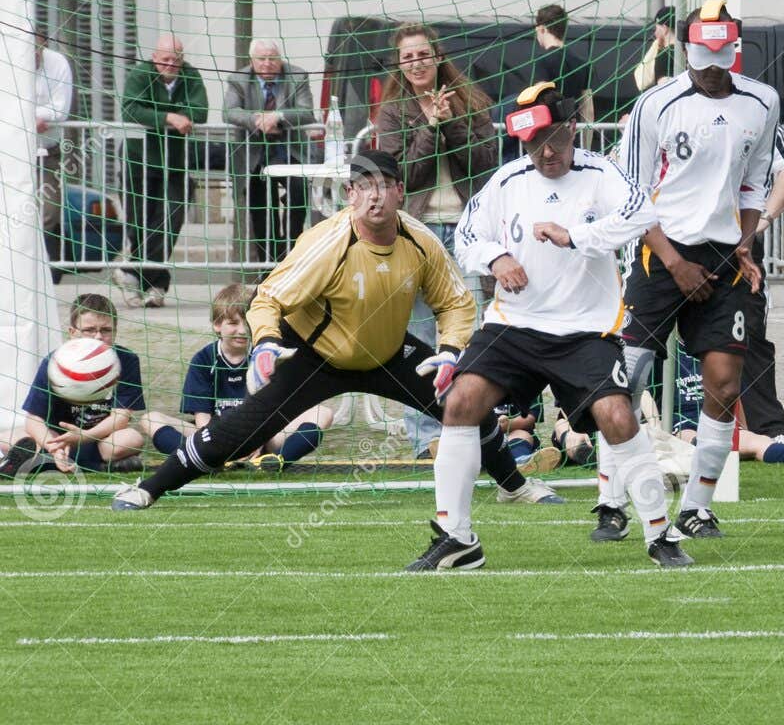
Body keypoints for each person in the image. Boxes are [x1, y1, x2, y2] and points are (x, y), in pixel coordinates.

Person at [111, 151, 549, 512]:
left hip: (388, 353)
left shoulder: (421, 241)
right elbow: (267, 298)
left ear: (400, 191)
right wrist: (265, 344)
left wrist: (451, 350)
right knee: (236, 432)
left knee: (466, 406)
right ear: (349, 194)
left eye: (384, 185)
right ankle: (150, 487)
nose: (374, 196)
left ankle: (514, 484)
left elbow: (455, 302)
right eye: (363, 187)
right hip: (317, 356)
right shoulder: (326, 241)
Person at [418, 86, 688, 570]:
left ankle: (659, 535)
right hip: (515, 325)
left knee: (618, 416)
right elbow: (466, 236)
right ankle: (457, 539)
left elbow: (641, 216)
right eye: (532, 142)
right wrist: (496, 257)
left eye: (554, 140)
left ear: (573, 131)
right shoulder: (507, 180)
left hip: (586, 329)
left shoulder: (602, 174)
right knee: (459, 402)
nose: (544, 152)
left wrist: (576, 236)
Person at [596, 0, 778, 543]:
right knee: (627, 377)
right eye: (701, 53)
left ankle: (697, 507)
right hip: (659, 253)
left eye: (722, 54)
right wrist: (674, 263)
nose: (711, 65)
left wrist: (745, 243)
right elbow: (630, 193)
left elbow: (754, 180)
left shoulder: (762, 102)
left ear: (737, 50)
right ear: (684, 49)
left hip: (724, 258)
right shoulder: (655, 104)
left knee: (724, 381)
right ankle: (610, 501)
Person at [376, 23, 498, 461]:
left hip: (467, 230)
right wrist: (429, 125)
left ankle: (480, 429)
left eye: (423, 54)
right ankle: (426, 437)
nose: (417, 63)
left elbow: (485, 163)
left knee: (476, 330)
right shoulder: (392, 112)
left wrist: (451, 124)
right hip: (418, 232)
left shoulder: (471, 99)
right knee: (419, 334)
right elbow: (404, 176)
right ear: (400, 65)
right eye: (408, 57)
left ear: (437, 56)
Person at [145, 283, 332, 471]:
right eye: (233, 323)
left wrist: (257, 440)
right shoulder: (203, 359)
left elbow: (275, 411)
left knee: (322, 413)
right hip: (212, 438)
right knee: (150, 419)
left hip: (263, 438)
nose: (242, 330)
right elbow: (202, 420)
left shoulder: (266, 357)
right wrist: (217, 446)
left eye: (247, 323)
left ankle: (274, 462)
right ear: (217, 325)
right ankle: (201, 463)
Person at [0, 295, 145, 478]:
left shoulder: (126, 360)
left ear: (115, 331)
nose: (99, 336)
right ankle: (80, 462)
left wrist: (85, 436)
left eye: (106, 330)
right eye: (90, 330)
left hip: (100, 437)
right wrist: (53, 447)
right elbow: (33, 419)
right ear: (72, 332)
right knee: (8, 438)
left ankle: (43, 464)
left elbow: (121, 417)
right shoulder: (55, 362)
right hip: (57, 437)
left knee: (132, 439)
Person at [117, 36, 208, 308]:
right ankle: (157, 283)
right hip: (139, 158)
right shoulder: (140, 74)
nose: (170, 65)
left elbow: (199, 111)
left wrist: (165, 115)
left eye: (176, 60)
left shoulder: (190, 75)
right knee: (139, 222)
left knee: (170, 219)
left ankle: (131, 273)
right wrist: (170, 117)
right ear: (154, 57)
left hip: (175, 161)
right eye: (165, 60)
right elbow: (130, 109)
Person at [739, 124, 784, 439]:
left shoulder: (756, 113)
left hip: (738, 240)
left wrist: (762, 221)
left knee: (749, 333)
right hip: (678, 240)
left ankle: (768, 430)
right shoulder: (664, 108)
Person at [224, 39, 316, 263]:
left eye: (272, 58)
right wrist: (256, 119)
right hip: (254, 154)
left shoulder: (297, 76)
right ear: (252, 61)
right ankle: (269, 268)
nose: (267, 63)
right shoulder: (239, 79)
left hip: (290, 151)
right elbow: (229, 112)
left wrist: (278, 116)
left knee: (298, 196)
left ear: (280, 58)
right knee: (262, 212)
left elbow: (306, 112)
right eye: (261, 59)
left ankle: (291, 255)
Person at [34, 33, 74, 282]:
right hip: (12, 149)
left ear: (43, 45)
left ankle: (41, 266)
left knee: (49, 212)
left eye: (35, 49)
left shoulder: (57, 63)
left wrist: (28, 114)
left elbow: (61, 109)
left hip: (49, 150)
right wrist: (33, 117)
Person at [533, 4, 595, 122]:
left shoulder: (543, 61)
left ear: (542, 29)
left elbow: (540, 104)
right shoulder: (582, 63)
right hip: (573, 132)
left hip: (551, 132)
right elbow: (588, 110)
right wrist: (585, 140)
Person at [633, 6, 677, 92]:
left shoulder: (664, 55)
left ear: (664, 29)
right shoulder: (688, 50)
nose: (655, 33)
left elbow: (663, 88)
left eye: (657, 28)